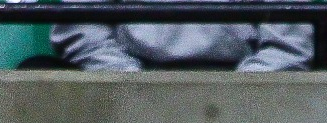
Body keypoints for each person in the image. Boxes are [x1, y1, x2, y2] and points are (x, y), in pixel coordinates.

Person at [53, 0, 311, 72]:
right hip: (132, 85)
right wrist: (131, 85)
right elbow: (82, 32)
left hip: (242, 91)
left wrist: (239, 96)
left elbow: (286, 47)